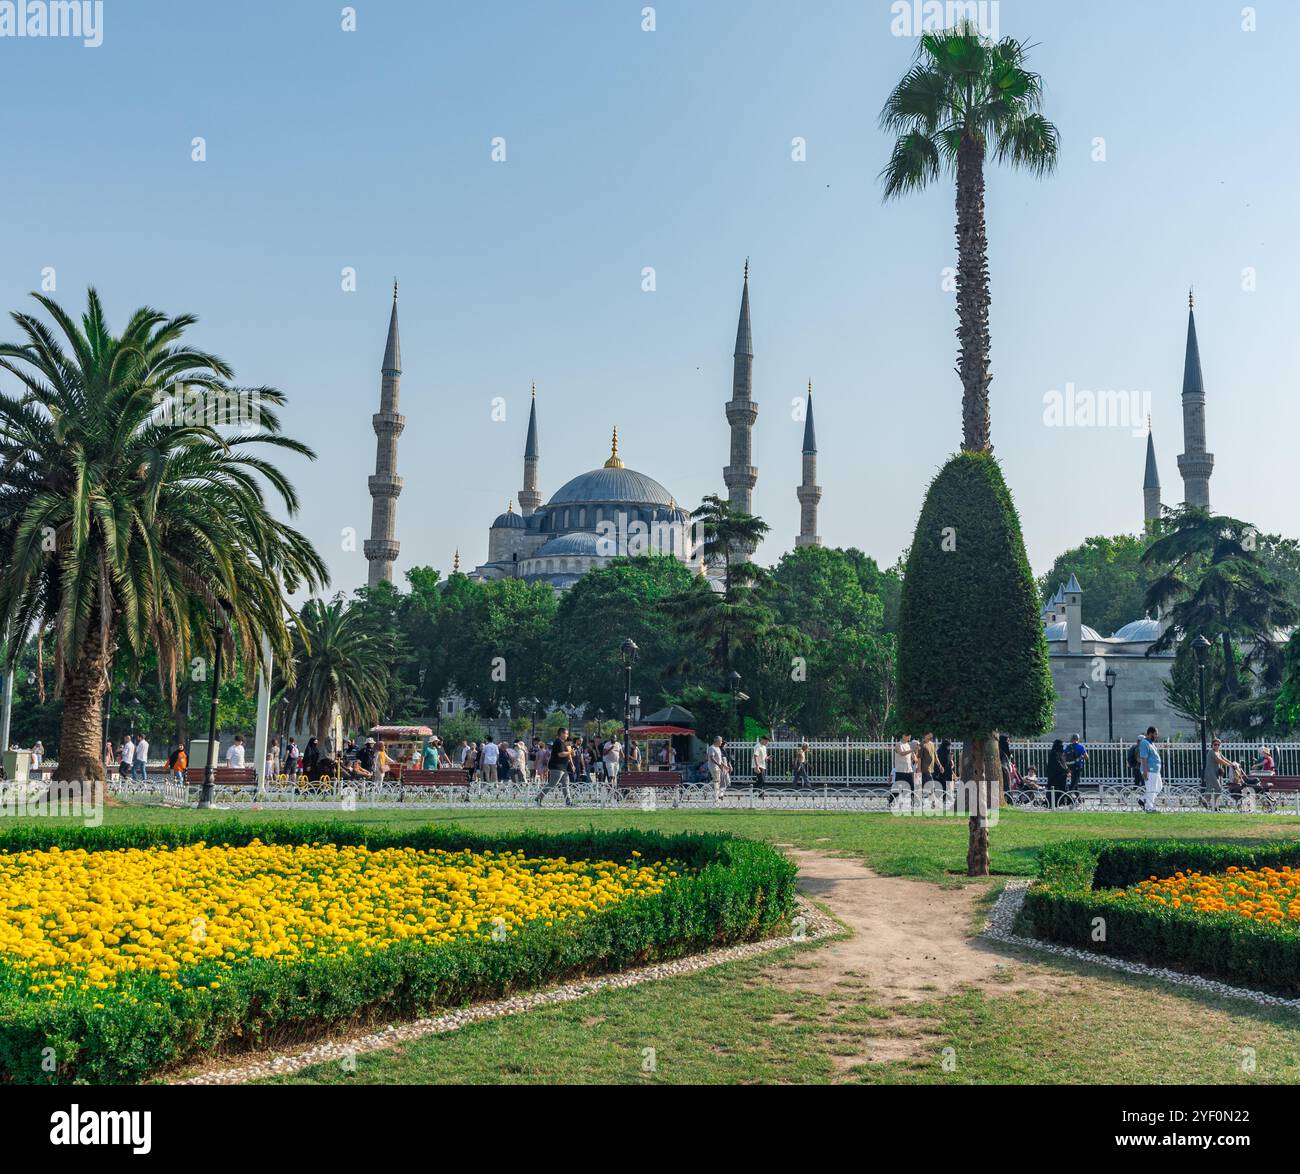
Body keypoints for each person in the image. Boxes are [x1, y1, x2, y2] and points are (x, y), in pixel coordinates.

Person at [536, 728, 574, 806]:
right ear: (562, 733)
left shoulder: (563, 743)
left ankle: (568, 801)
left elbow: (565, 754)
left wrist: (570, 755)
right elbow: (560, 754)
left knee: (566, 784)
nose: (567, 735)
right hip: (557, 767)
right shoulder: (558, 742)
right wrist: (570, 752)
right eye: (566, 733)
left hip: (563, 767)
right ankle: (539, 797)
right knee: (552, 783)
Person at [1138, 726, 1162, 814]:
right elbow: (1143, 758)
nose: (1157, 736)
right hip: (1149, 771)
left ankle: (1142, 799)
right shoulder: (1144, 743)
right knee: (1151, 789)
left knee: (1159, 788)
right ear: (1150, 734)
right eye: (1155, 734)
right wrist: (1145, 771)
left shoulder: (1151, 743)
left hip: (1155, 771)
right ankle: (1149, 808)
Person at [1045, 738, 1069, 805]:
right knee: (1059, 790)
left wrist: (1066, 770)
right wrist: (1065, 770)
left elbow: (1063, 763)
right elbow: (1057, 764)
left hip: (1060, 776)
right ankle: (1070, 801)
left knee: (1063, 790)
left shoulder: (1058, 754)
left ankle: (1061, 802)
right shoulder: (1054, 754)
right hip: (1055, 776)